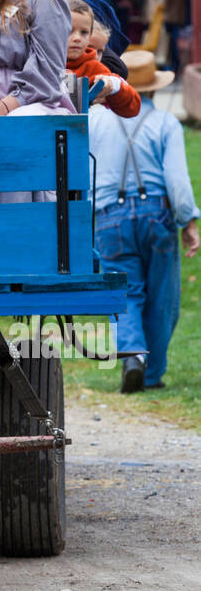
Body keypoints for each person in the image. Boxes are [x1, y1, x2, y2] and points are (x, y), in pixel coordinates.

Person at [89, 50, 200, 393]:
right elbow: (178, 181)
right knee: (162, 297)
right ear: (153, 89)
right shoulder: (165, 123)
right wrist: (188, 221)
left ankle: (132, 357)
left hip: (108, 217)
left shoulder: (94, 121)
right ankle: (152, 373)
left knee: (125, 293)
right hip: (156, 215)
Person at [65, 0, 140, 117]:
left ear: (90, 35)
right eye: (69, 30)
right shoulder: (40, 62)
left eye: (84, 32)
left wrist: (114, 85)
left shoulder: (94, 69)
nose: (77, 38)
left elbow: (133, 107)